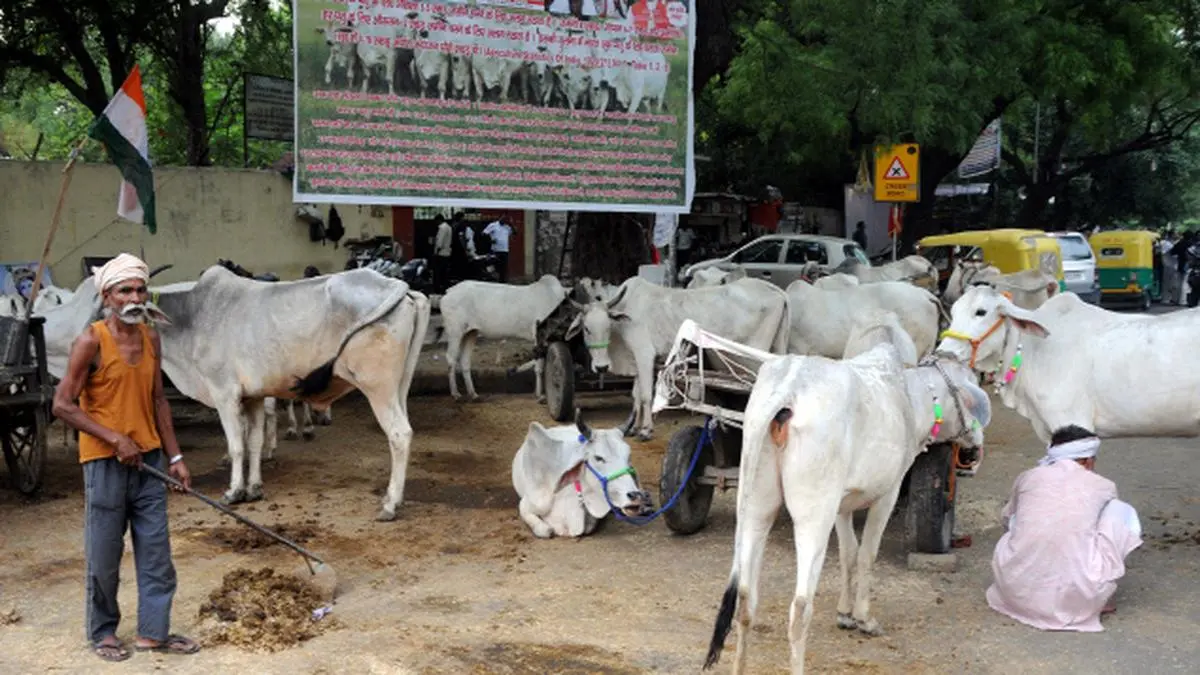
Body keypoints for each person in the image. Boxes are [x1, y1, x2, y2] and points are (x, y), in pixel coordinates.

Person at [51, 253, 199, 662]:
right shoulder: (91, 341)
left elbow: (158, 402)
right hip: (104, 463)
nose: (135, 297)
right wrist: (115, 438)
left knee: (156, 553)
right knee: (104, 556)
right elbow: (62, 405)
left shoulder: (151, 337)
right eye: (125, 290)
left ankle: (154, 632)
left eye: (139, 289)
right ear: (108, 296)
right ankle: (103, 632)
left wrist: (176, 457)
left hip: (149, 461)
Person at [986, 425, 1143, 633]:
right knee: (1120, 511)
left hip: (1014, 592)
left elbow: (1008, 518)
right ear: (1088, 461)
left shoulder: (1028, 476)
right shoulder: (1104, 486)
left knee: (1020, 517)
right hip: (1078, 599)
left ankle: (1028, 580)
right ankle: (1095, 597)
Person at [483, 216, 514, 282]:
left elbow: (515, 233)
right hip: (495, 250)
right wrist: (490, 240)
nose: (504, 220)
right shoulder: (493, 225)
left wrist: (511, 225)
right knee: (493, 265)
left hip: (505, 250)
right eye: (503, 218)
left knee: (503, 267)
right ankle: (490, 278)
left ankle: (502, 281)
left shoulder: (507, 227)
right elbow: (483, 233)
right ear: (500, 218)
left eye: (506, 219)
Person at [432, 216, 452, 291]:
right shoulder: (449, 227)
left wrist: (436, 252)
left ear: (439, 220)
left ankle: (437, 288)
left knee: (437, 272)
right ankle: (445, 287)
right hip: (447, 253)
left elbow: (439, 242)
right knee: (445, 272)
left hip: (440, 254)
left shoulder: (442, 228)